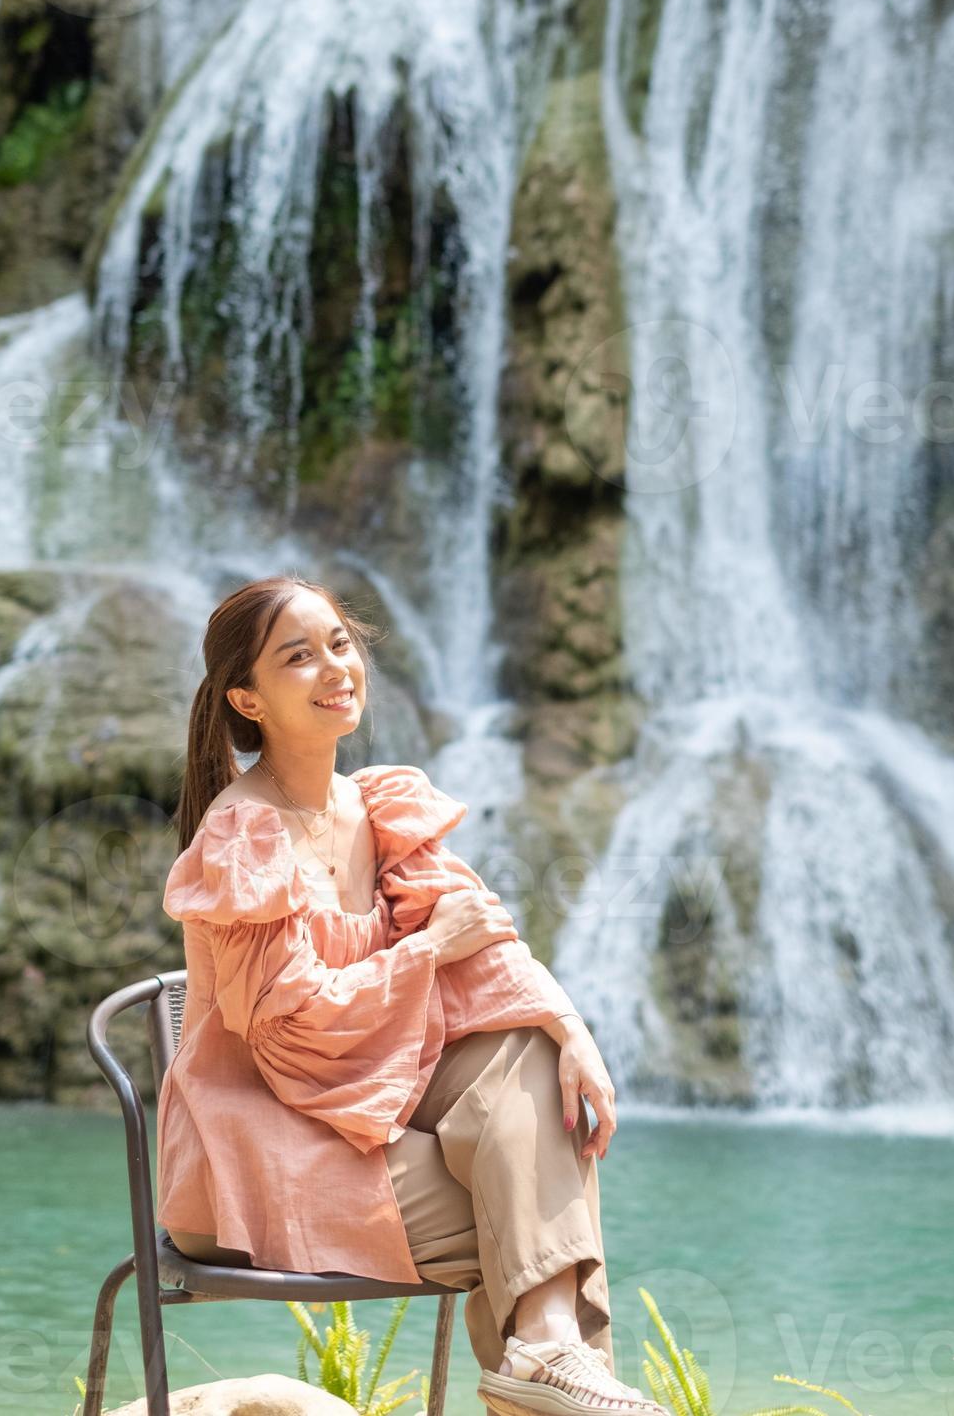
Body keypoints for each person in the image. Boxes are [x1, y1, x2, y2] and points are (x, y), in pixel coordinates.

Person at [157, 574, 664, 1416]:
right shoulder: (242, 832)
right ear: (246, 698)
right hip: (257, 1144)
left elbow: (483, 947)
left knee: (526, 1055)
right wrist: (427, 949)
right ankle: (548, 1360)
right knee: (539, 1203)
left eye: (339, 644)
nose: (334, 668)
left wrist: (569, 1028)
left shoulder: (381, 807)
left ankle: (542, 1355)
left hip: (368, 1099)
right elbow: (294, 1029)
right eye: (298, 658)